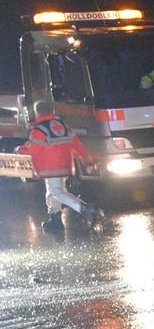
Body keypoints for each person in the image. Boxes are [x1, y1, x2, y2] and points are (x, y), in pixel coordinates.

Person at [22, 99, 95, 233]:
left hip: (50, 167)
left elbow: (32, 149)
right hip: (65, 165)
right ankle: (55, 220)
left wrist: (18, 150)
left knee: (57, 192)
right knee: (52, 192)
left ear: (38, 112)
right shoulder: (62, 126)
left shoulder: (40, 129)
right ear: (51, 110)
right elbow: (77, 145)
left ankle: (83, 208)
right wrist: (87, 162)